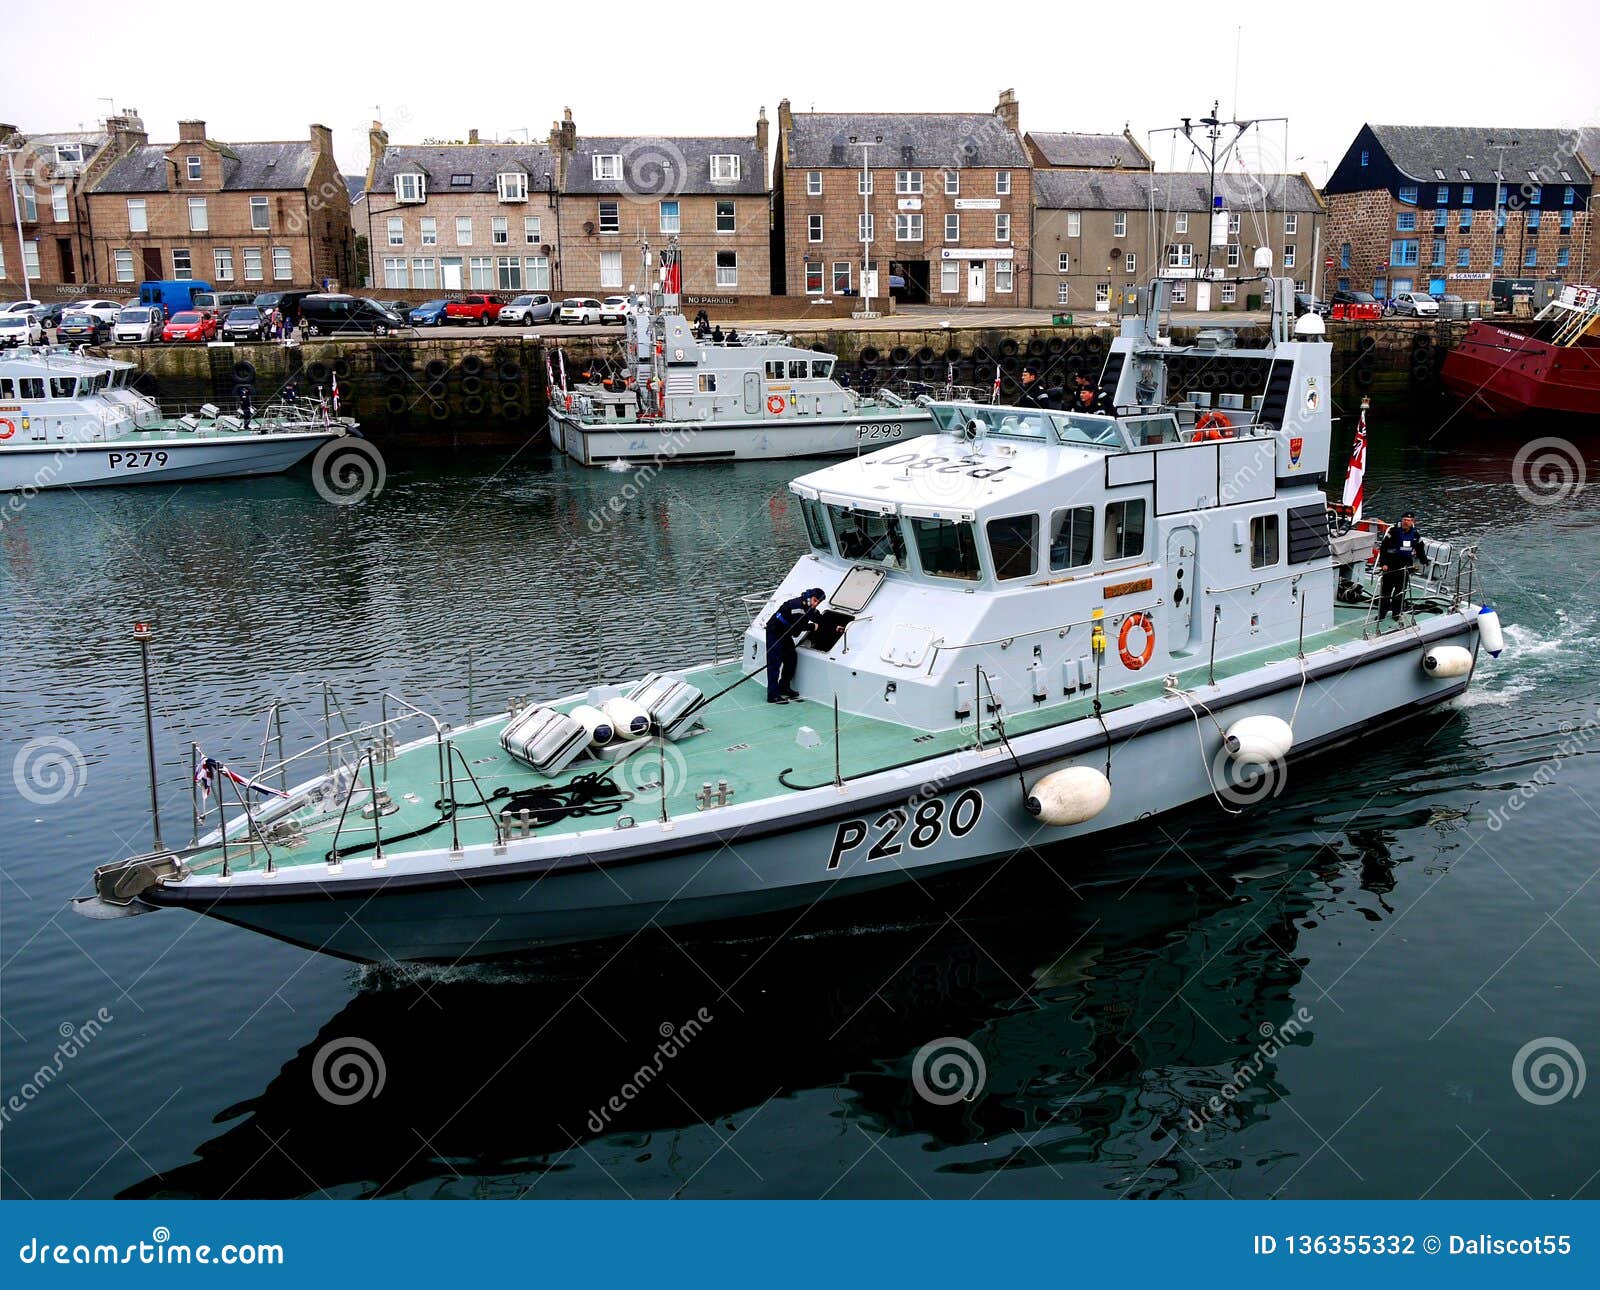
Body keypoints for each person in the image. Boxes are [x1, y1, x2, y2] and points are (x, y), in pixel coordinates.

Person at [765, 588, 825, 703]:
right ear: (810, 597)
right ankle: (772, 695)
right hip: (775, 631)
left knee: (791, 658)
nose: (816, 604)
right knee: (774, 663)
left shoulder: (809, 607)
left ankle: (784, 687)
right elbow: (796, 628)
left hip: (785, 632)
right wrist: (812, 627)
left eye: (818, 602)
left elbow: (819, 618)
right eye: (815, 600)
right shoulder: (797, 607)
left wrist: (834, 627)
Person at [1376, 511, 1425, 623]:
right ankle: (1381, 614)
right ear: (1401, 520)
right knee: (1385, 593)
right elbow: (1383, 549)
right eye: (1404, 520)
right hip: (1390, 566)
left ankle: (1396, 614)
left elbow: (1420, 549)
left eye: (1408, 520)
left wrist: (1424, 560)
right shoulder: (1393, 532)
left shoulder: (1415, 535)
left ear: (1412, 521)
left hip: (1404, 567)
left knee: (1400, 593)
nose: (1406, 522)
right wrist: (1383, 563)